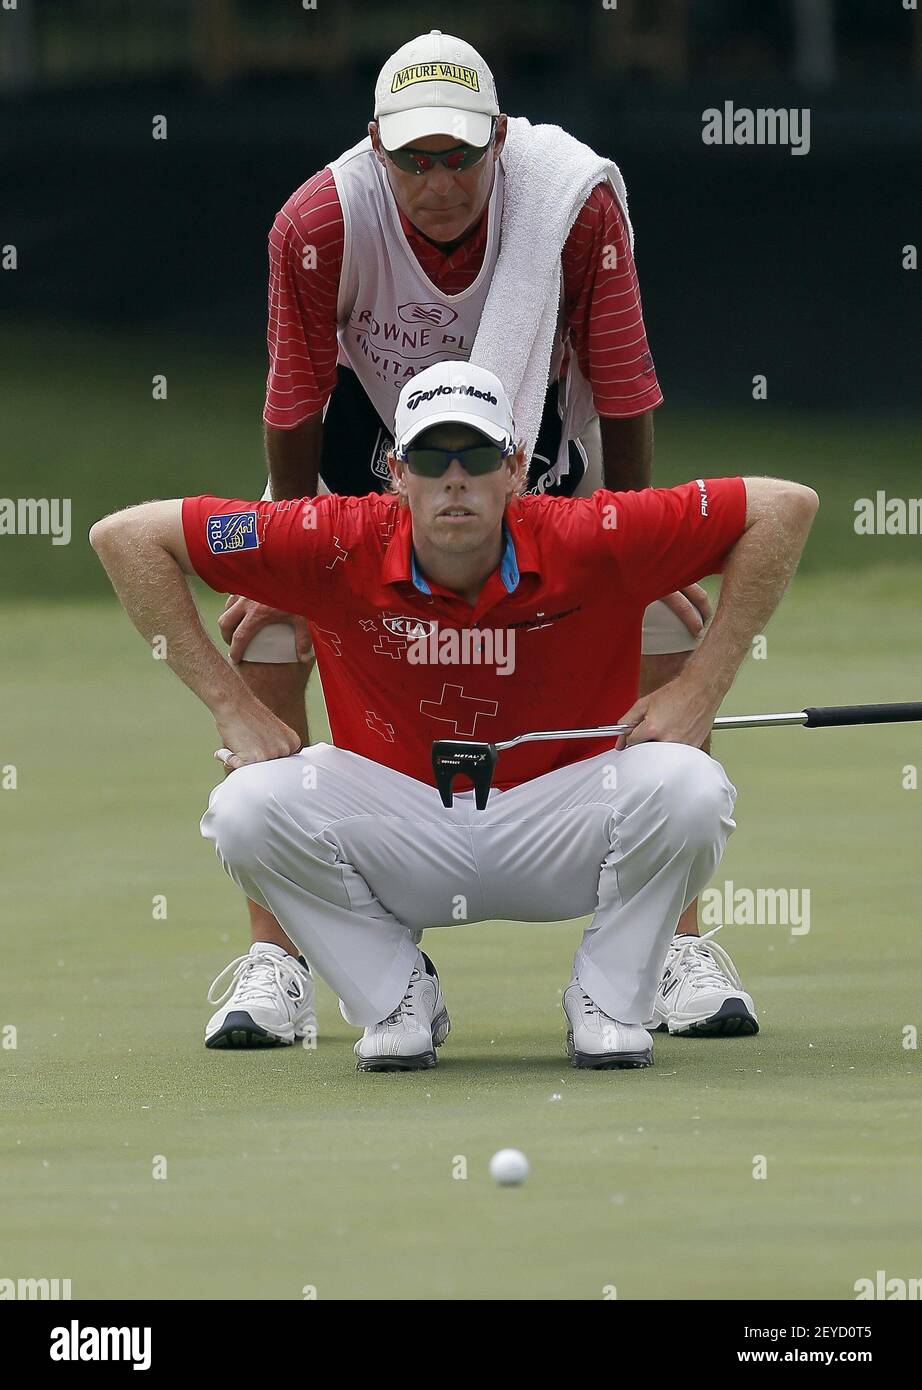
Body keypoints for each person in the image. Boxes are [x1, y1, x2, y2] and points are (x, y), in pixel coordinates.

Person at [207, 29, 744, 1048]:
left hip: (536, 455)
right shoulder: (317, 221)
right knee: (266, 638)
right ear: (376, 147)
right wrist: (282, 560)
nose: (438, 181)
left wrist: (635, 547)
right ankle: (275, 960)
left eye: (459, 155)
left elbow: (623, 383)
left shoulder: (571, 202)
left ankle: (673, 945)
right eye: (413, 158)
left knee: (663, 628)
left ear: (499, 142)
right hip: (365, 461)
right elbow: (293, 402)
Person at [89, 362, 818, 1071]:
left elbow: (784, 507)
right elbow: (126, 537)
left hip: (561, 822)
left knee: (690, 785)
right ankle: (394, 996)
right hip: (402, 827)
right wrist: (231, 705)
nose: (455, 477)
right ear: (397, 474)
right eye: (432, 456)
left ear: (516, 469)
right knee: (244, 806)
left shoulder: (592, 533)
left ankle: (609, 1000)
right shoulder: (332, 537)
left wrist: (701, 690)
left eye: (475, 453)